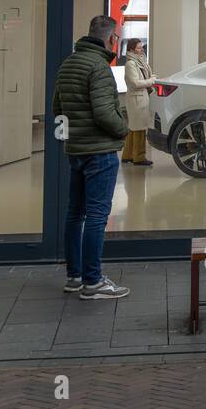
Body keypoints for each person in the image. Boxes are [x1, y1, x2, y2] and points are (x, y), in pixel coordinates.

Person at [52, 15, 131, 300]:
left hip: (76, 151)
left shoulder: (69, 63)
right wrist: (125, 130)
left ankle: (74, 277)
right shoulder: (98, 67)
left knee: (76, 214)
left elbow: (57, 108)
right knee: (97, 216)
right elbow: (104, 113)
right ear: (112, 38)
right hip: (100, 152)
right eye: (117, 37)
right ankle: (93, 282)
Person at [121, 38, 156, 167]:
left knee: (133, 128)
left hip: (140, 98)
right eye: (139, 48)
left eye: (142, 47)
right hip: (136, 99)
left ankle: (128, 155)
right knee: (139, 129)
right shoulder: (131, 64)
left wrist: (151, 78)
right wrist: (151, 81)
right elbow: (135, 83)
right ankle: (139, 157)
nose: (141, 49)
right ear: (131, 49)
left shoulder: (140, 61)